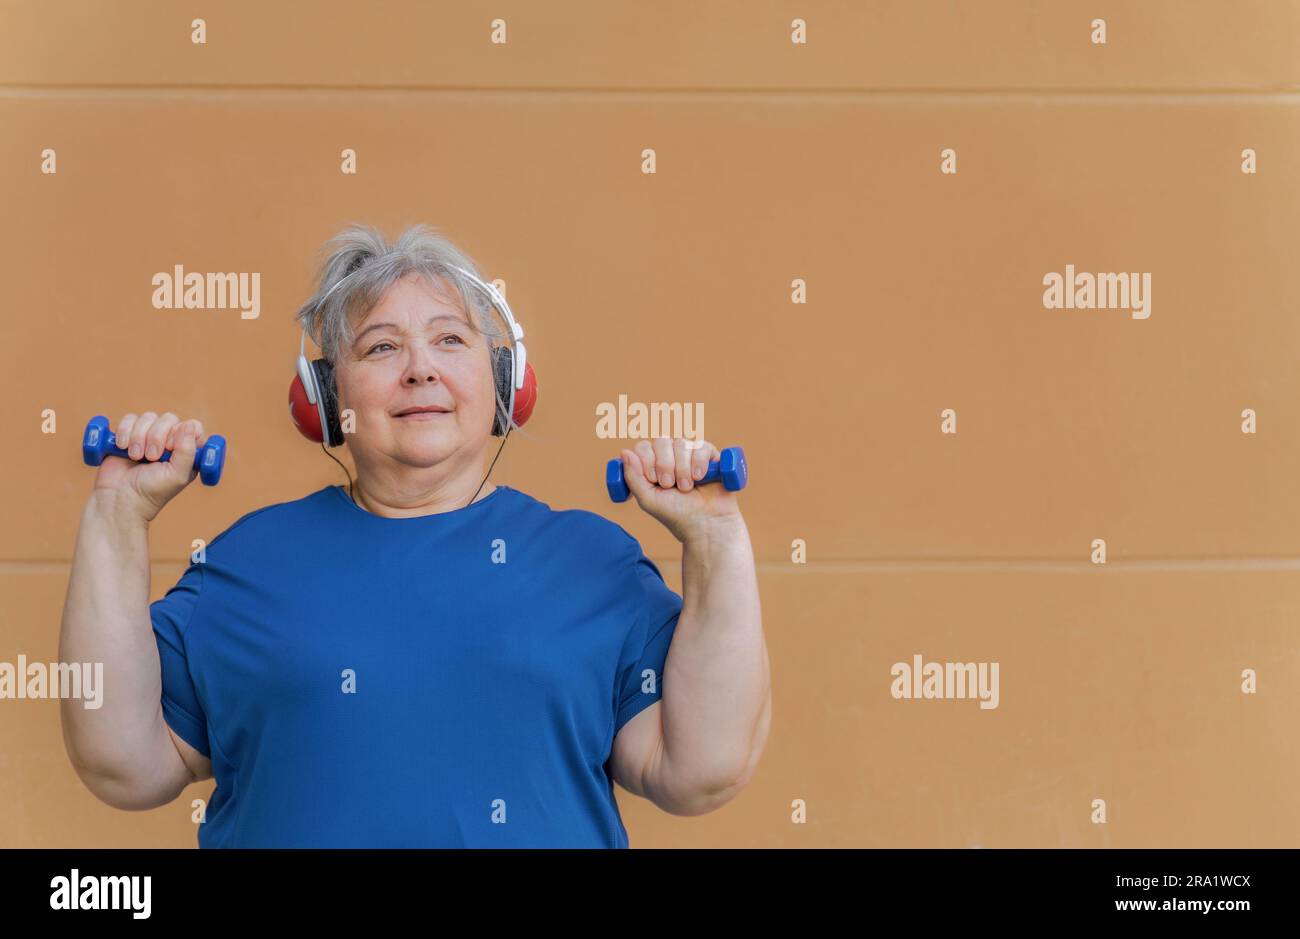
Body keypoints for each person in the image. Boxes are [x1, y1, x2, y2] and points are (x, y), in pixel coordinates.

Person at [59, 223, 770, 847]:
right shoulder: (247, 564)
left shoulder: (592, 563)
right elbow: (124, 764)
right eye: (381, 348)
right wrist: (116, 517)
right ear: (328, 398)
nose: (420, 367)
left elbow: (699, 769)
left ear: (503, 382)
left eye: (450, 339)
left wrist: (715, 542)